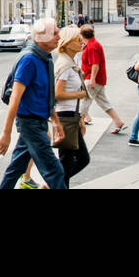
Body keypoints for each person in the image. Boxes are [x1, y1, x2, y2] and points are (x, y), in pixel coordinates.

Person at [0, 17, 67, 190]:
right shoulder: (29, 60)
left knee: (17, 167)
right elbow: (15, 97)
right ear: (41, 37)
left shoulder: (45, 57)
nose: (59, 36)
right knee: (54, 171)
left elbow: (46, 94)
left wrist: (55, 122)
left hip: (38, 121)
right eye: (55, 33)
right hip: (30, 123)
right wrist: (6, 133)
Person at [53, 25, 91, 186]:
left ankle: (53, 184)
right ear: (68, 43)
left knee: (74, 160)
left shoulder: (69, 62)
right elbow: (57, 94)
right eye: (77, 39)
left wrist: (80, 118)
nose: (81, 42)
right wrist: (80, 94)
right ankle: (53, 184)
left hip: (71, 116)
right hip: (65, 117)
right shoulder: (65, 66)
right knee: (72, 160)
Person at [78, 24, 124, 135]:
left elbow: (95, 64)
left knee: (85, 101)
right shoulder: (93, 44)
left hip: (92, 78)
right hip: (98, 79)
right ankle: (118, 121)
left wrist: (92, 79)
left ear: (82, 35)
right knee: (103, 102)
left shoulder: (92, 46)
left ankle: (78, 125)